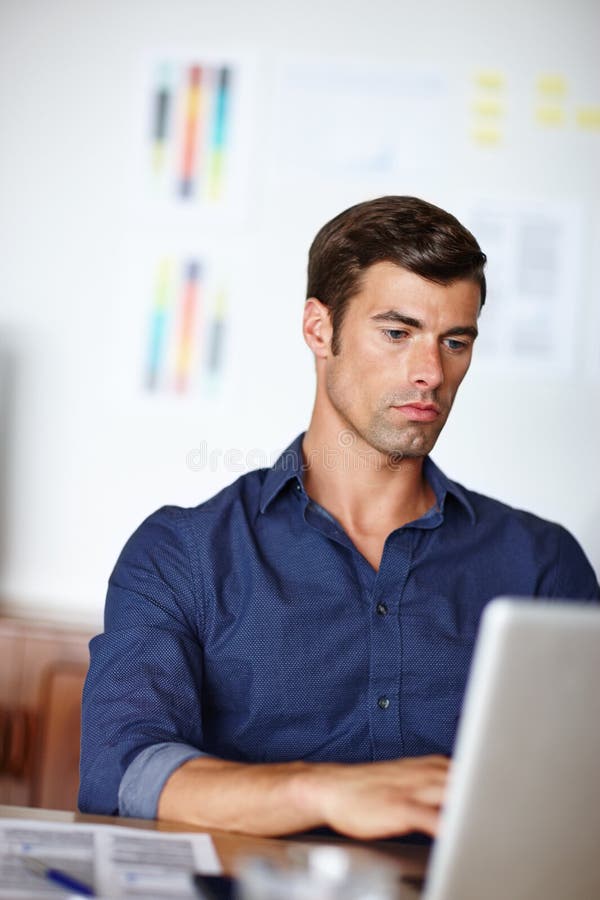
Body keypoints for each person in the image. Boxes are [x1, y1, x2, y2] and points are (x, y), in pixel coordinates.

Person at [79, 196, 599, 839]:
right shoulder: (182, 554)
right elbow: (120, 774)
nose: (430, 373)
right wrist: (322, 792)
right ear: (320, 329)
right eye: (397, 333)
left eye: (454, 342)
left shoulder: (543, 564)